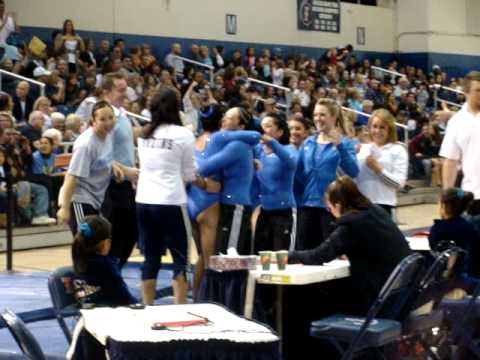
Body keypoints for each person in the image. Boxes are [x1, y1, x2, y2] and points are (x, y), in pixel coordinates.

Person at [289, 176, 412, 314]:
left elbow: (319, 255)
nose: (330, 213)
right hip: (399, 292)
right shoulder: (376, 211)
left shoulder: (351, 223)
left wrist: (288, 256)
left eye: (329, 208)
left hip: (376, 295)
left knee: (319, 300)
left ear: (338, 205)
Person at [136, 88, 203, 305]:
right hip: (171, 201)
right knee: (180, 258)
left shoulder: (143, 134)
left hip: (144, 200)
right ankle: (180, 308)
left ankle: (147, 306)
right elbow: (189, 173)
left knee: (151, 258)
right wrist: (205, 183)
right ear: (176, 108)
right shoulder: (183, 134)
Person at [56, 100, 138, 234]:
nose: (108, 122)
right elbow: (71, 177)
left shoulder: (107, 136)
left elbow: (104, 159)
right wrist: (64, 208)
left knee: (96, 242)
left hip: (96, 199)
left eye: (111, 118)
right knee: (85, 240)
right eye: (103, 119)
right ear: (93, 121)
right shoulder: (86, 144)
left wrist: (122, 169)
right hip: (80, 199)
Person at [294, 98, 359, 250]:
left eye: (322, 115)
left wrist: (340, 146)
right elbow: (298, 176)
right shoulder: (308, 143)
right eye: (315, 115)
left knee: (331, 257)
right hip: (307, 208)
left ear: (334, 117)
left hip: (332, 209)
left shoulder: (346, 143)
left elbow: (354, 171)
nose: (317, 118)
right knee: (304, 254)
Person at [198, 107, 260, 255]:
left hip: (236, 206)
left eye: (230, 117)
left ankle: (228, 279)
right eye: (224, 115)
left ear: (241, 126)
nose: (224, 119)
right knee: (224, 253)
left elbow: (205, 168)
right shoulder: (235, 143)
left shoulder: (237, 146)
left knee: (230, 256)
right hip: (231, 204)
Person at [101, 72, 139, 268]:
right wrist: (126, 170)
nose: (126, 94)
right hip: (110, 186)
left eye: (126, 89)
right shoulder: (106, 117)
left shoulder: (122, 114)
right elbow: (101, 154)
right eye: (121, 90)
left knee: (130, 233)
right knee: (115, 236)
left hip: (125, 184)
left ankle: (113, 274)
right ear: (106, 91)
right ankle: (107, 277)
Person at [253, 113, 298, 252]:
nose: (262, 130)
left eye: (267, 126)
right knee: (261, 258)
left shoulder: (289, 149)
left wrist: (271, 142)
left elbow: (291, 162)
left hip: (284, 213)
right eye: (261, 126)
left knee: (281, 260)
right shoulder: (258, 151)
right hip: (264, 212)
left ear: (279, 132)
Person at [72, 215, 137, 306]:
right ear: (106, 242)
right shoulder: (106, 265)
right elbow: (124, 298)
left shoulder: (79, 259)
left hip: (86, 313)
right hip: (106, 314)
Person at [441, 71, 480, 219]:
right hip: (472, 198)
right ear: (466, 92)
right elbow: (450, 161)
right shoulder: (456, 122)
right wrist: (447, 199)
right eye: (478, 91)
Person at [356, 109, 408, 216]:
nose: (377, 131)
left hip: (384, 206)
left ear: (390, 129)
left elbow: (399, 184)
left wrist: (378, 170)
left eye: (382, 127)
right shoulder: (362, 148)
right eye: (374, 126)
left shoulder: (398, 150)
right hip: (360, 206)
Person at [428, 188, 480, 287]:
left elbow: (433, 247)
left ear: (444, 206)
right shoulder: (469, 226)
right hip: (468, 274)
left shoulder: (438, 228)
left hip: (448, 278)